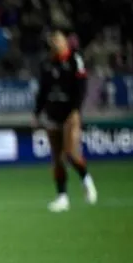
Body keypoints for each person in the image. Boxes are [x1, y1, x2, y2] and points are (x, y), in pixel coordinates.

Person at [34, 30, 97, 213]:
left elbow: (81, 87)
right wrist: (37, 113)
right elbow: (43, 90)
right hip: (52, 112)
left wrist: (76, 110)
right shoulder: (46, 65)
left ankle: (86, 180)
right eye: (53, 42)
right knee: (57, 158)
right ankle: (62, 197)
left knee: (70, 152)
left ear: (65, 43)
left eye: (59, 41)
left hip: (70, 113)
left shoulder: (74, 61)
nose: (56, 44)